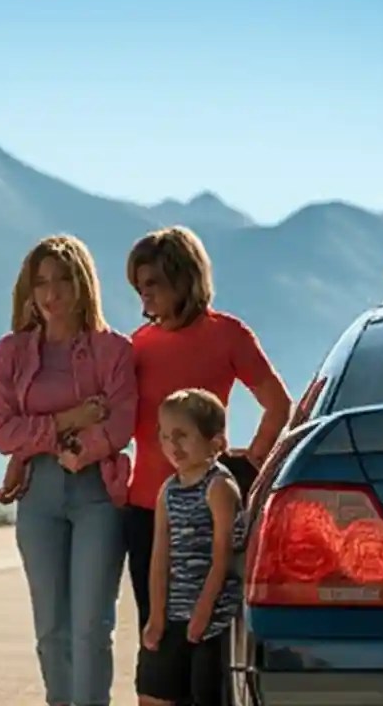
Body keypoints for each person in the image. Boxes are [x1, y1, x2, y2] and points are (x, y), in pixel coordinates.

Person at [0, 234, 136, 706]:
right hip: (38, 494)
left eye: (63, 280)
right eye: (41, 282)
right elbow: (1, 430)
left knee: (91, 625)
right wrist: (70, 420)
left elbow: (121, 422)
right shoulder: (10, 353)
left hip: (97, 494)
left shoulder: (114, 350)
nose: (51, 294)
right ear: (28, 290)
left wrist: (81, 450)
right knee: (51, 626)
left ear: (83, 284)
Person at [123, 225, 291, 633]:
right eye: (138, 286)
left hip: (208, 512)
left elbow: (278, 404)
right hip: (146, 509)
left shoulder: (227, 334)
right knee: (156, 635)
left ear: (183, 278)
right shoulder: (137, 345)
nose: (144, 295)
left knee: (211, 634)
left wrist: (250, 463)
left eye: (152, 284)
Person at [135, 388, 247, 706]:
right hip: (174, 613)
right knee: (153, 691)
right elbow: (160, 557)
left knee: (204, 693)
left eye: (182, 435)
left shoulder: (219, 487)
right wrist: (156, 616)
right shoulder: (168, 491)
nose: (173, 445)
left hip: (213, 619)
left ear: (215, 441)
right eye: (165, 436)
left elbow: (223, 556)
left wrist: (203, 612)